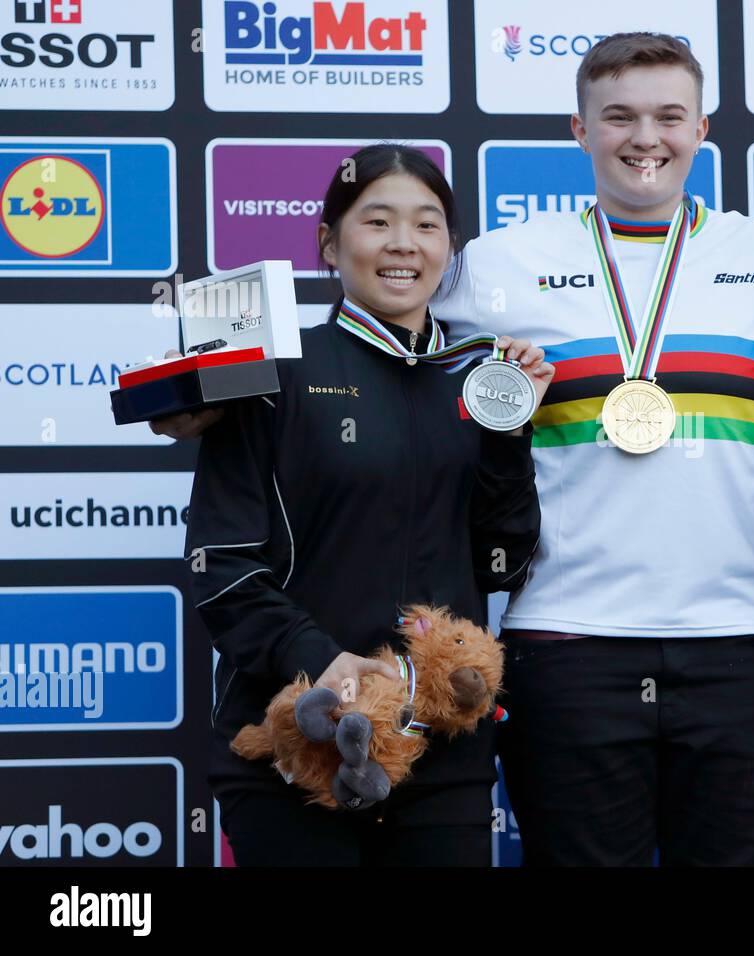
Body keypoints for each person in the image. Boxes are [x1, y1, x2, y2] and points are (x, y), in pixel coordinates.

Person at [430, 33, 754, 865]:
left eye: (669, 116)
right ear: (578, 131)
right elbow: (392, 364)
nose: (645, 138)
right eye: (618, 116)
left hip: (743, 640)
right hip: (565, 642)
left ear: (704, 128)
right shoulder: (498, 266)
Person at [185, 144, 552, 866]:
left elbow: (500, 562)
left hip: (442, 747)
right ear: (329, 241)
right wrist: (324, 667)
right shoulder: (271, 371)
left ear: (451, 248)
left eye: (426, 225)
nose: (401, 245)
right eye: (375, 221)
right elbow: (222, 565)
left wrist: (508, 437)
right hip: (295, 736)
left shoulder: (477, 378)